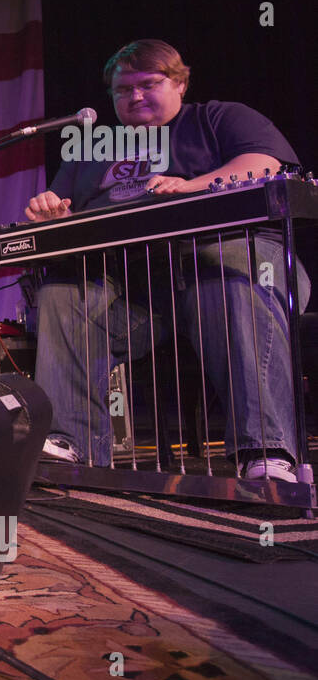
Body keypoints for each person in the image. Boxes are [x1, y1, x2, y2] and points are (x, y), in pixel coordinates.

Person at [24, 39, 308, 481]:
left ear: (179, 83)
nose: (134, 96)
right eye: (122, 90)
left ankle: (267, 454)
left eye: (148, 84)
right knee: (61, 294)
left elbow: (265, 164)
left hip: (235, 269)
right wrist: (51, 212)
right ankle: (69, 444)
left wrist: (192, 187)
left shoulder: (217, 118)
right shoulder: (89, 149)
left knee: (224, 272)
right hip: (142, 297)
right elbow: (63, 208)